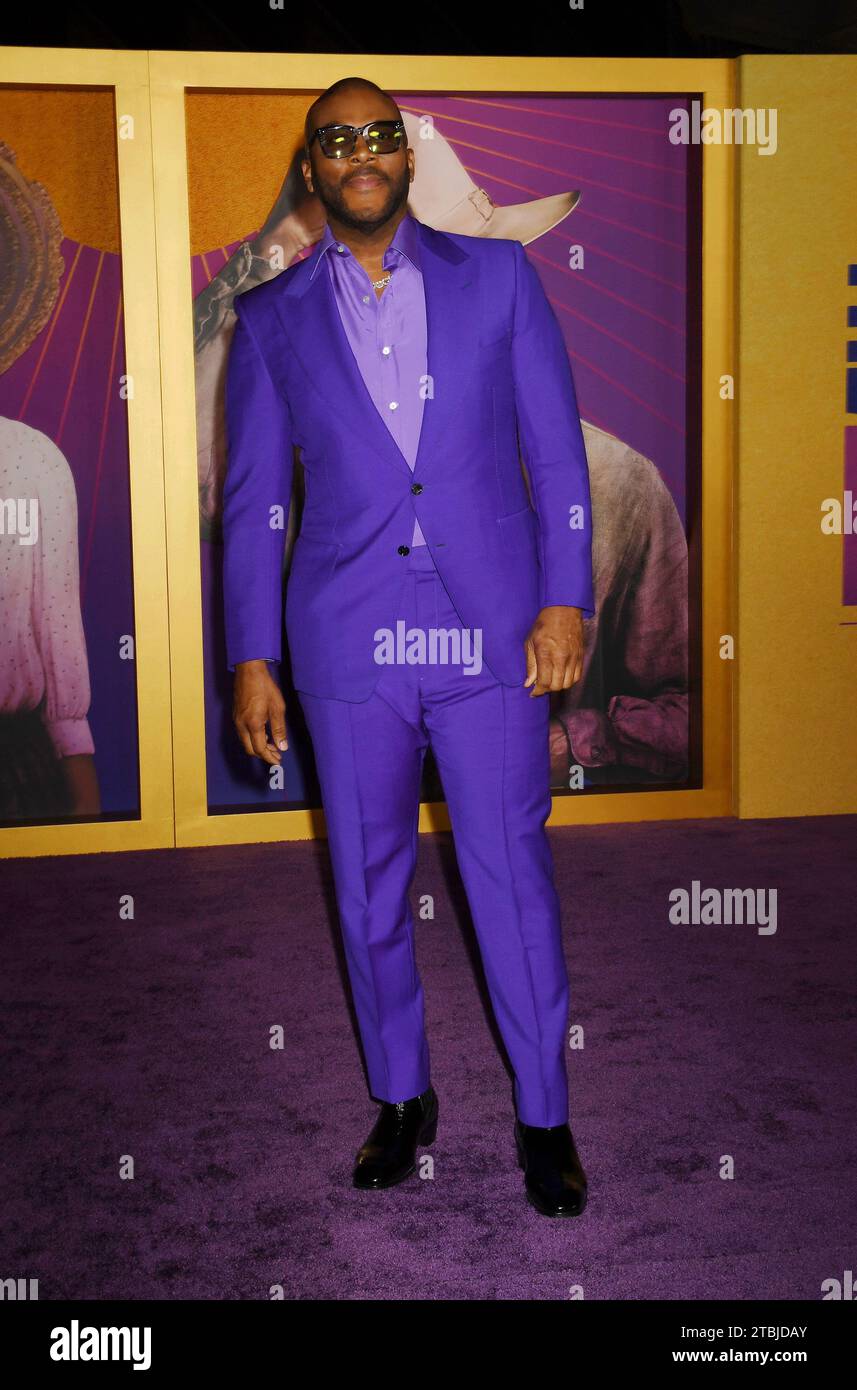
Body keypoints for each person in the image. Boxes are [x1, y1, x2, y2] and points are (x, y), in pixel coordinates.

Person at [222, 77, 595, 1216]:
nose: (361, 156)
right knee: (367, 882)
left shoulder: (499, 281)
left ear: (405, 156)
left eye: (378, 136)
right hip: (347, 641)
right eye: (337, 143)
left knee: (507, 871)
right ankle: (401, 1097)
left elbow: (556, 455)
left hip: (489, 630)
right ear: (312, 169)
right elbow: (251, 505)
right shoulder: (271, 319)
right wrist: (250, 655)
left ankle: (543, 1112)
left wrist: (563, 597)